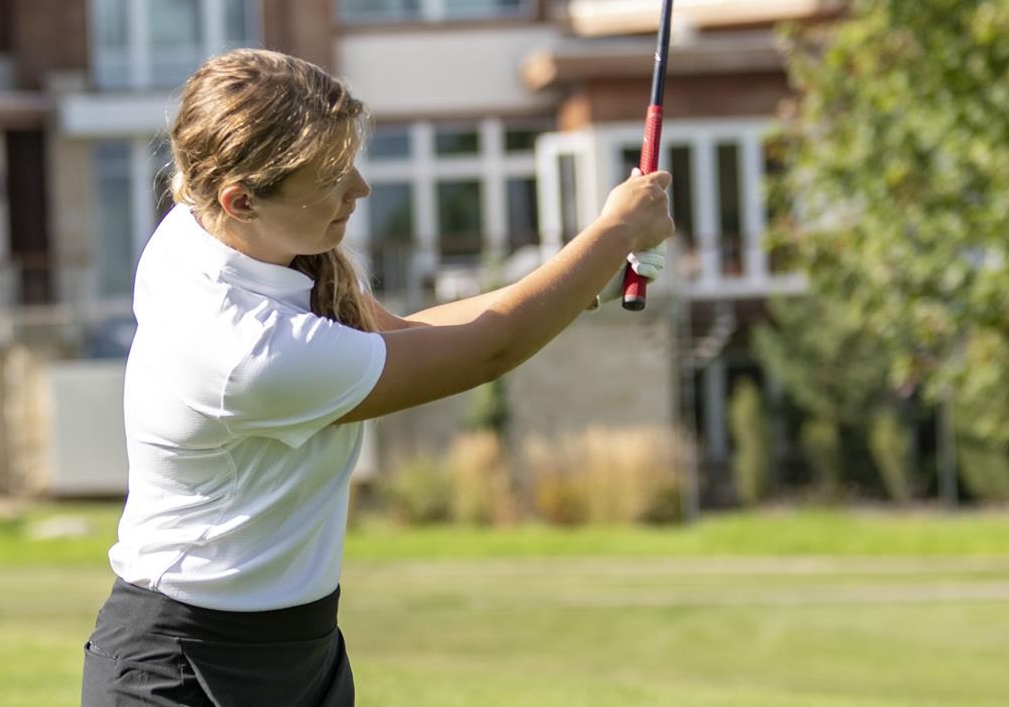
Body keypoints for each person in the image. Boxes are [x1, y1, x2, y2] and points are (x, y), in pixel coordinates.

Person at [81, 48, 673, 707]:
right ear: (241, 198)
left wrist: (591, 272)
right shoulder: (247, 352)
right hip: (183, 669)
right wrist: (614, 229)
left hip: (304, 652)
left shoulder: (204, 233)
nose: (359, 189)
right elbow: (486, 350)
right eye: (331, 176)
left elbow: (410, 335)